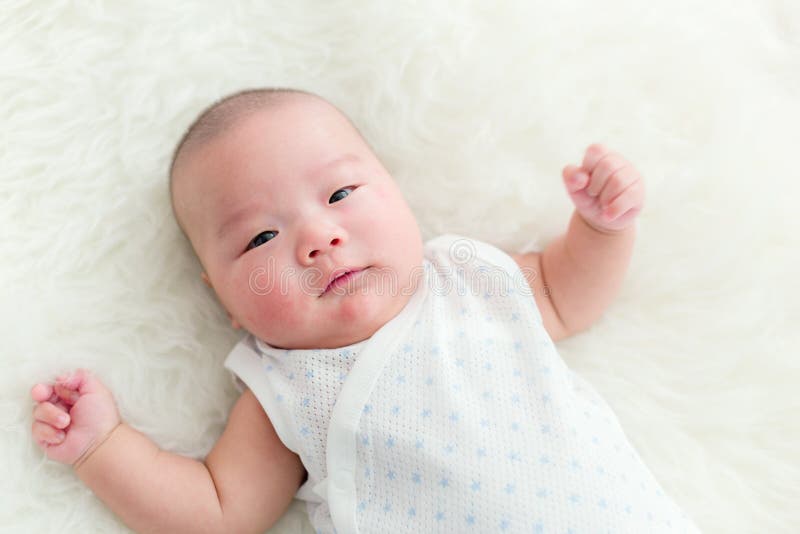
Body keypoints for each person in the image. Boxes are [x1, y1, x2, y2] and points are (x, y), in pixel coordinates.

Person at [30, 88, 700, 533]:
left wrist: (601, 229)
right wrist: (104, 448)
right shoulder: (286, 389)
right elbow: (218, 509)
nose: (318, 238)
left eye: (341, 193)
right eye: (261, 238)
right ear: (223, 299)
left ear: (396, 192)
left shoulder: (468, 282)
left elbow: (566, 294)